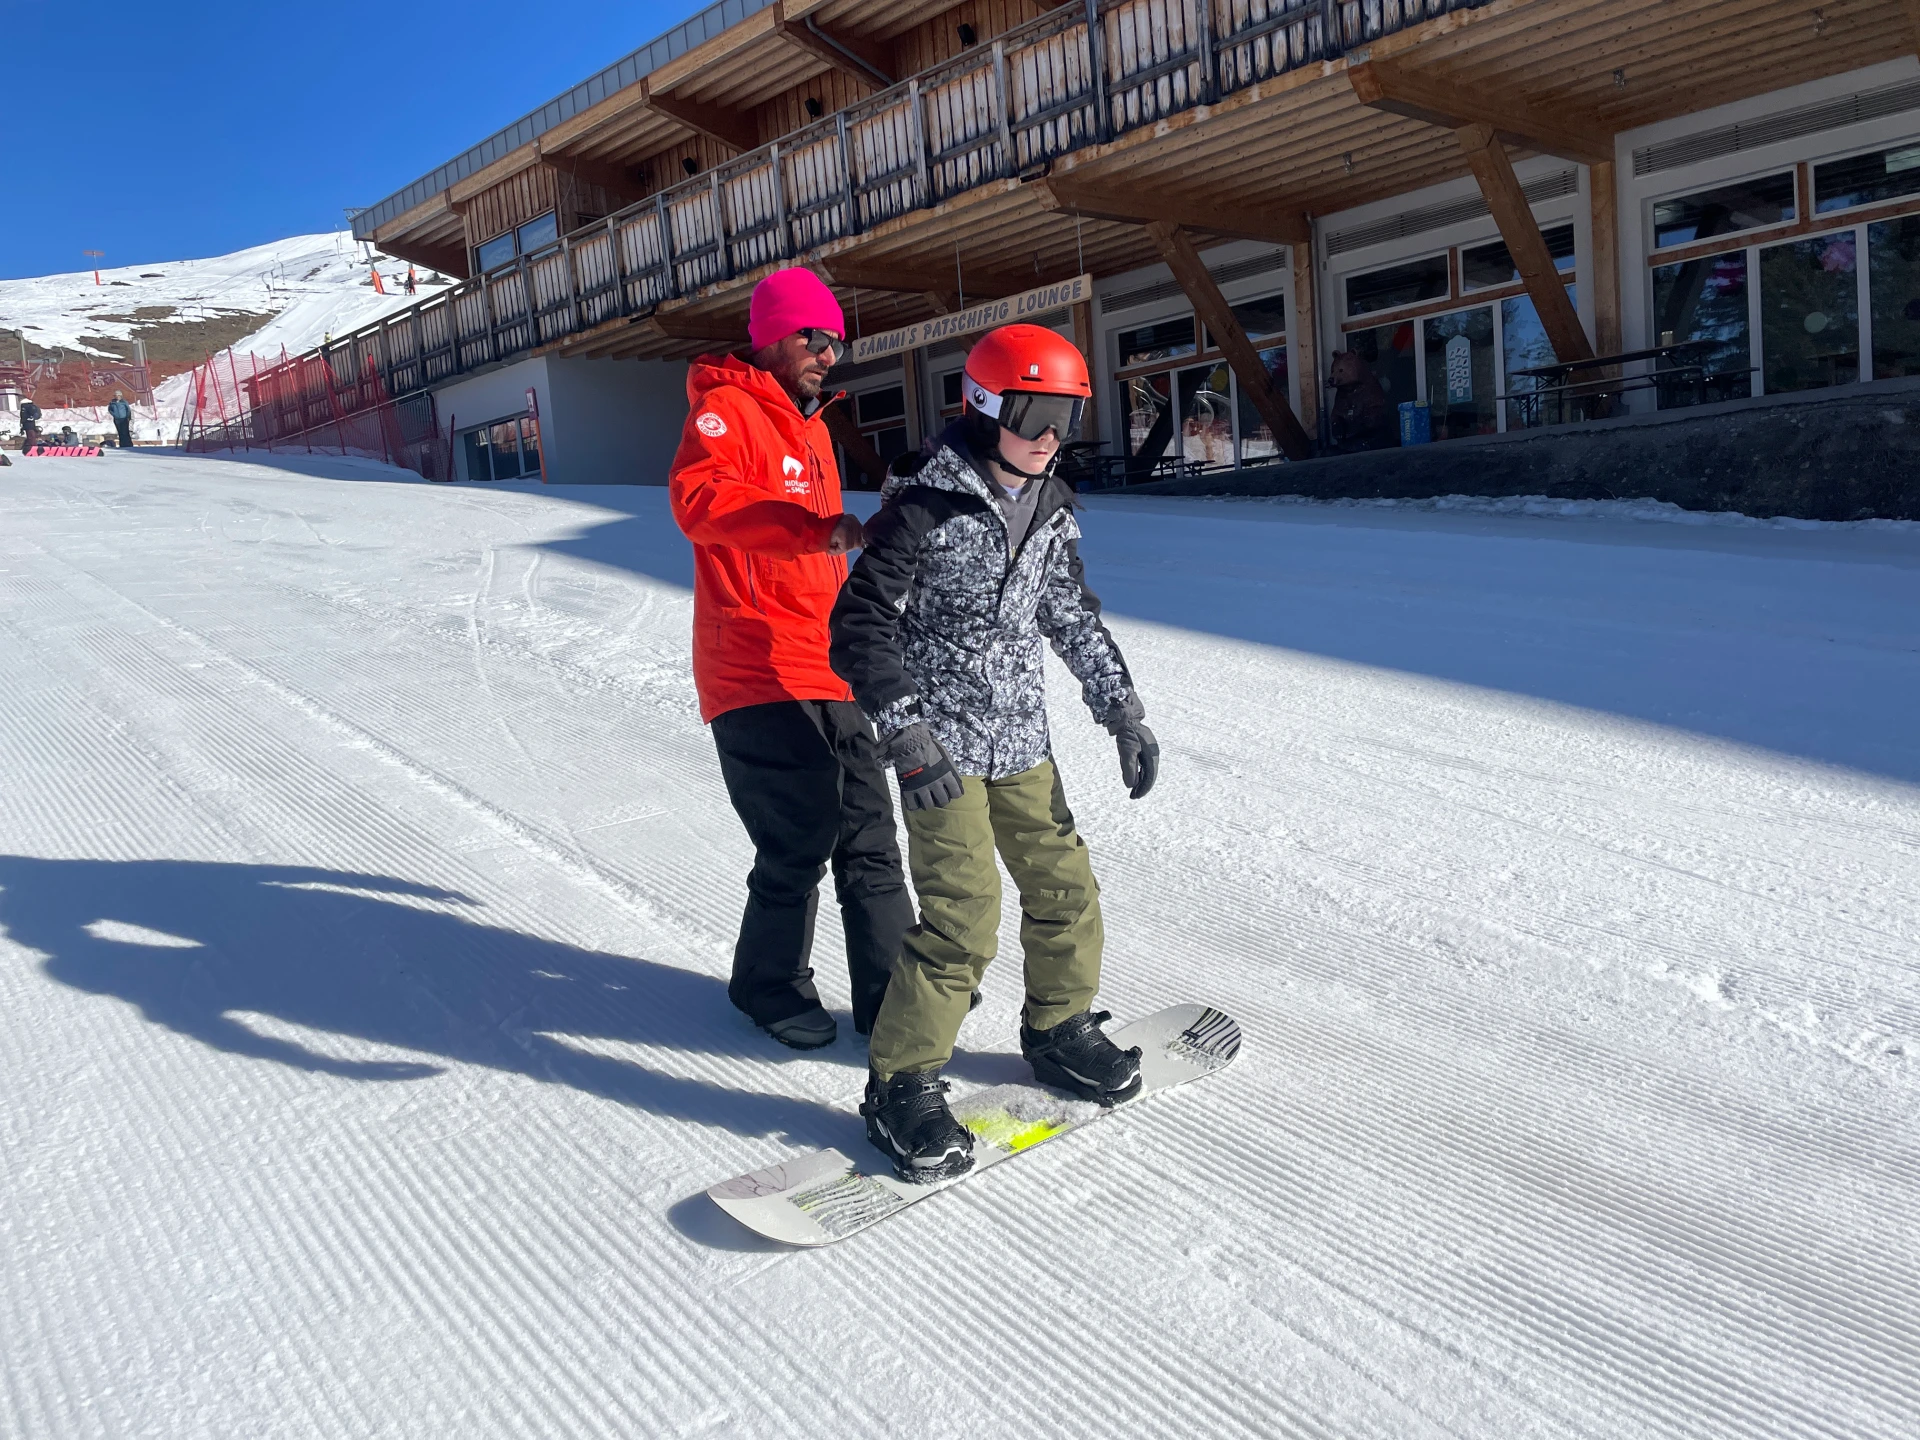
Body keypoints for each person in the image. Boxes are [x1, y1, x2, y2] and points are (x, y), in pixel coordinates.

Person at [829, 323, 1160, 1182]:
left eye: (1069, 416)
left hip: (1022, 741)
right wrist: (905, 731)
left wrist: (1120, 709)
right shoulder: (924, 508)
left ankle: (1058, 1028)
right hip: (938, 750)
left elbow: (1071, 614)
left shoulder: (1048, 504)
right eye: (1036, 412)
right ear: (986, 405)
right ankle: (900, 1083)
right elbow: (858, 627)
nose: (1052, 436)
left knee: (1065, 886)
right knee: (964, 917)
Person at [667, 267, 914, 1050]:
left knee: (871, 831)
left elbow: (825, 552)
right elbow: (700, 503)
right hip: (751, 664)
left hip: (827, 662)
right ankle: (767, 985)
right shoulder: (726, 408)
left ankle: (898, 996)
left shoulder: (812, 425)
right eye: (814, 336)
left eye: (836, 340)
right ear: (772, 333)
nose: (828, 353)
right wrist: (816, 529)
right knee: (801, 832)